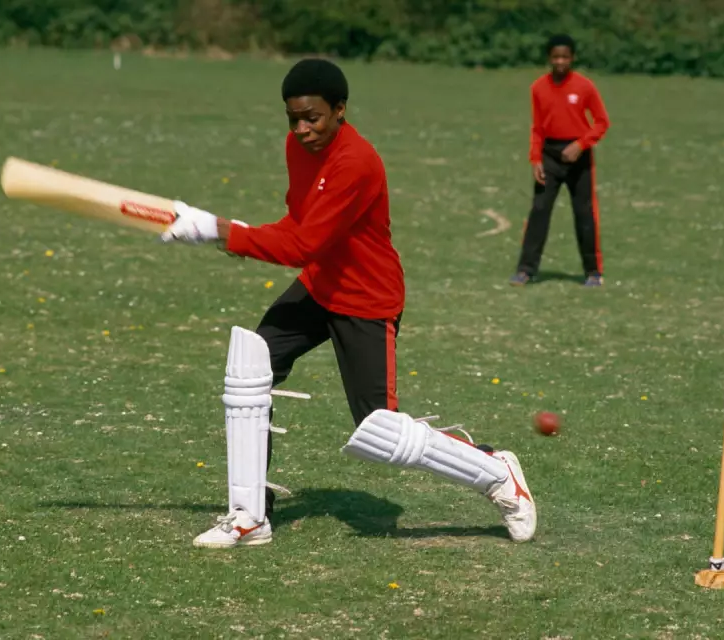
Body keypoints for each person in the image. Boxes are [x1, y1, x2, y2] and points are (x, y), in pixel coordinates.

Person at [161, 58, 537, 547]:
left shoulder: (356, 162)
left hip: (366, 296)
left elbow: (301, 244)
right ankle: (250, 515)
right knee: (251, 367)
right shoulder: (298, 148)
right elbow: (299, 225)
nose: (302, 129)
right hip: (321, 285)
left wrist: (220, 230)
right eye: (293, 118)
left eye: (313, 117)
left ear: (340, 110)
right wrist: (220, 233)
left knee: (380, 429)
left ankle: (497, 473)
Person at [510, 34, 610, 287]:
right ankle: (525, 270)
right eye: (556, 57)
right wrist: (535, 158)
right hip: (550, 156)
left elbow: (601, 122)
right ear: (549, 58)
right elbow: (537, 128)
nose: (560, 61)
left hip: (578, 157)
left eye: (565, 57)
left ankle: (593, 272)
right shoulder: (538, 88)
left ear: (573, 58)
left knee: (584, 213)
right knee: (539, 211)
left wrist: (580, 145)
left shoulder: (585, 87)